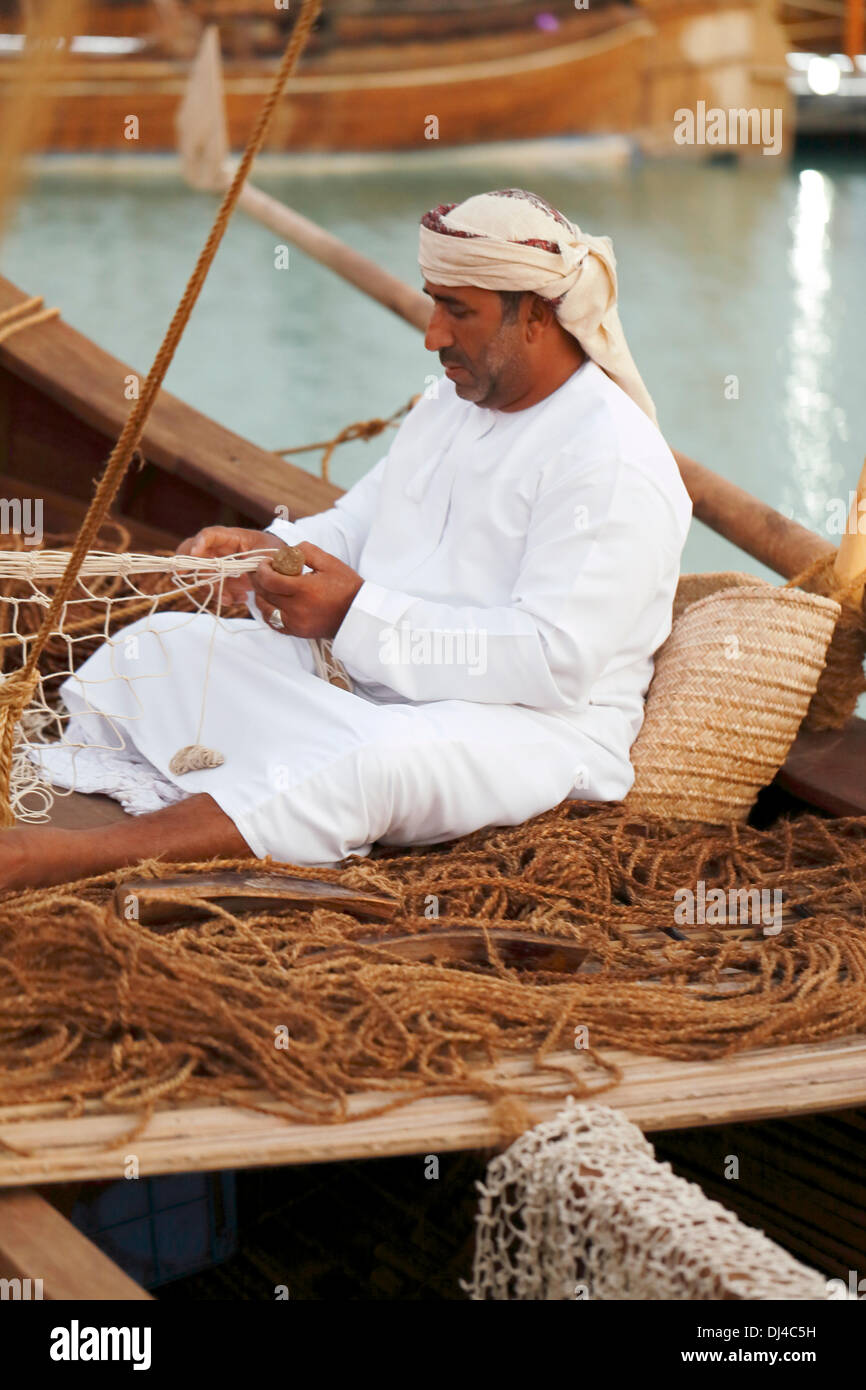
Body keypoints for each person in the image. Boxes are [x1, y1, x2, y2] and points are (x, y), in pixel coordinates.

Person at [5, 188, 691, 890]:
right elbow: (361, 522)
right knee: (148, 653)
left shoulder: (611, 459)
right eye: (434, 301)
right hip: (369, 682)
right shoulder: (449, 405)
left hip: (528, 730)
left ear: (538, 317)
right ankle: (245, 803)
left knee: (356, 762)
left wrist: (350, 614)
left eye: (458, 310)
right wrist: (270, 552)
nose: (432, 334)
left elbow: (554, 661)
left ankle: (60, 858)